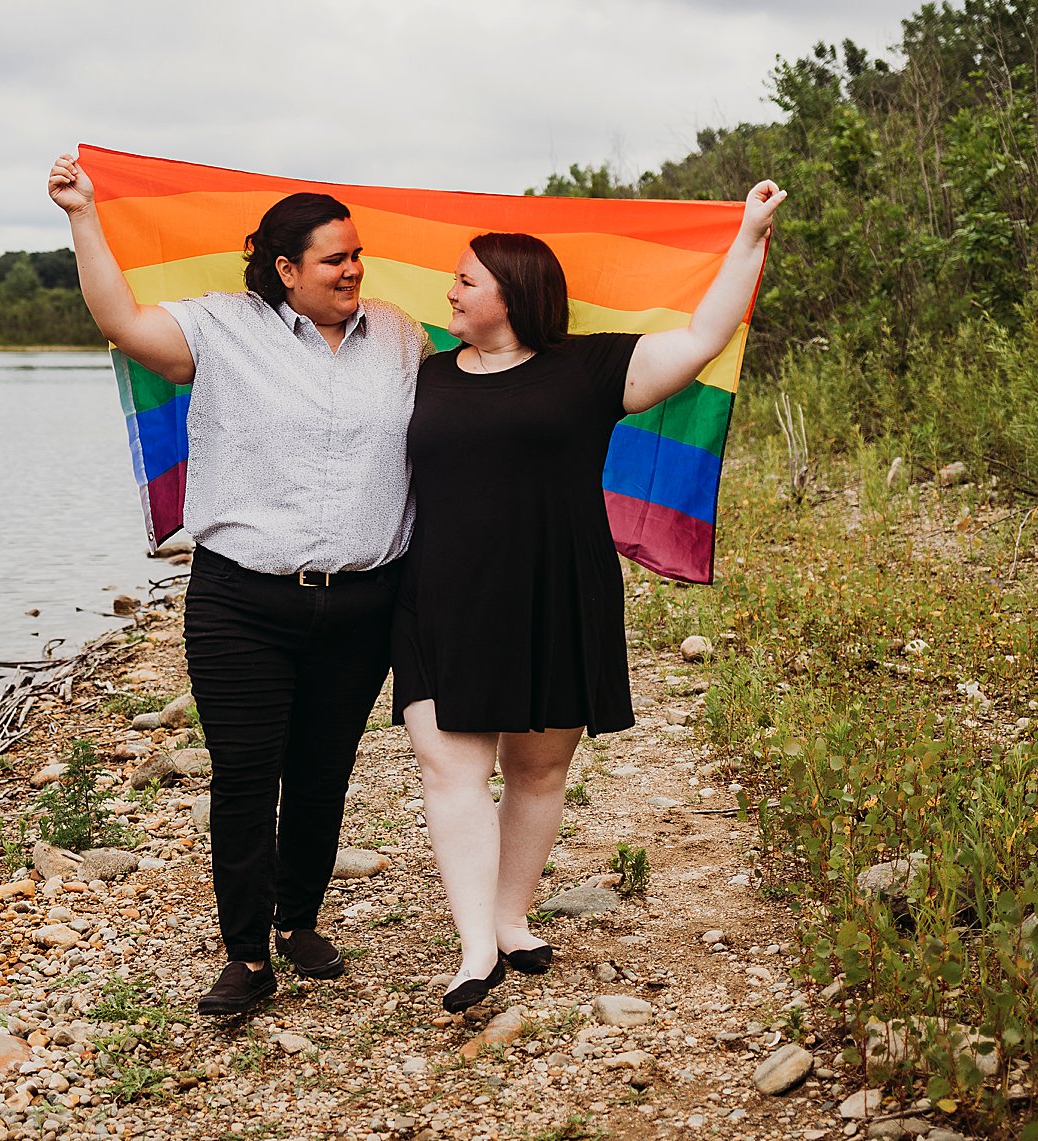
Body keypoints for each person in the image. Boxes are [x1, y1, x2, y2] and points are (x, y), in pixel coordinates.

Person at [47, 152, 430, 1015]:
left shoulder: (402, 336)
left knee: (325, 769)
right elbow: (120, 321)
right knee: (248, 774)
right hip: (243, 603)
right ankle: (247, 954)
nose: (354, 270)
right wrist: (82, 216)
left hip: (365, 601)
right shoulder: (218, 328)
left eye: (357, 254)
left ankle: (300, 919)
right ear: (286, 269)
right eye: (335, 259)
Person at [393, 181, 783, 1011]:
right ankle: (473, 951)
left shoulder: (592, 367)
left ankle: (508, 917)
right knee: (447, 768)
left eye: (464, 280)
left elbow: (707, 334)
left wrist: (748, 233)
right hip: (439, 595)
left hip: (555, 592)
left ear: (512, 292)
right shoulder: (420, 372)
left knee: (537, 770)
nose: (450, 292)